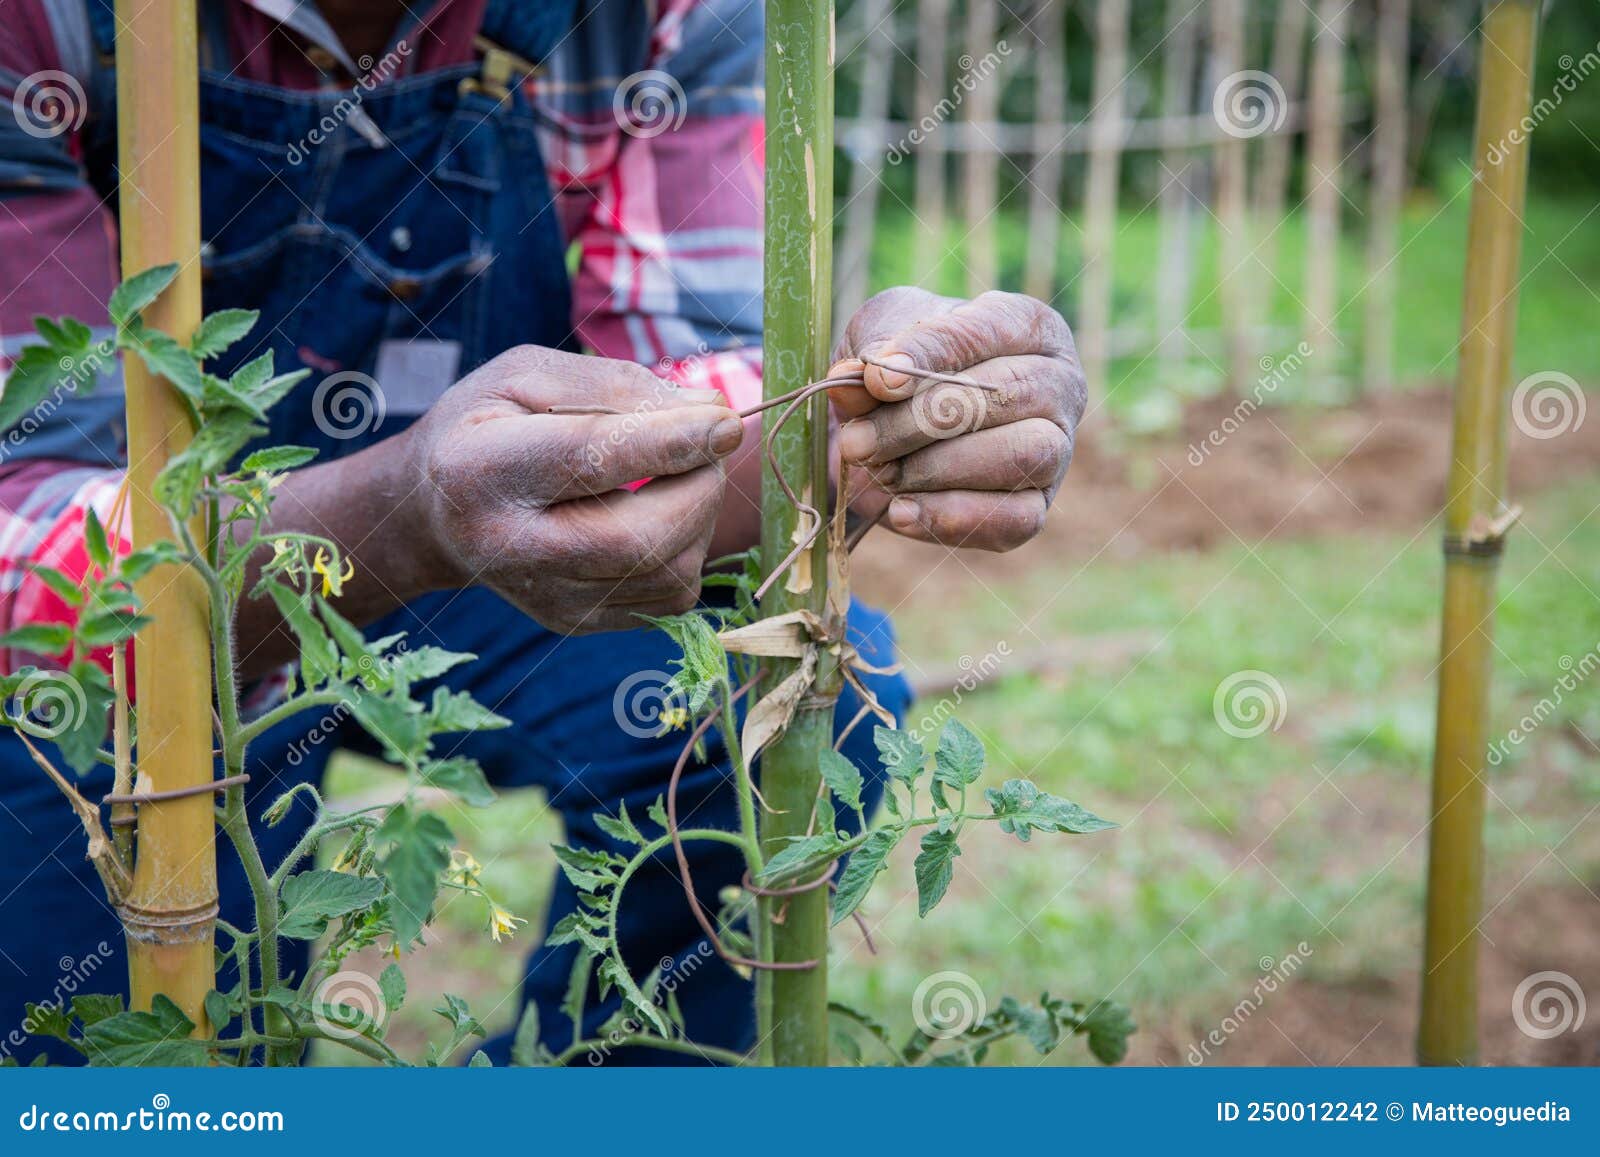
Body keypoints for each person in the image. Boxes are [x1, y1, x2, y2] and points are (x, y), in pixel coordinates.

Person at [0, 0, 1086, 1064]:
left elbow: (698, 374)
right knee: (150, 1029)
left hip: (510, 535)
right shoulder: (44, 24)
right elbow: (26, 515)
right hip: (150, 599)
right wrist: (403, 513)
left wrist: (869, 422)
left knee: (782, 700)